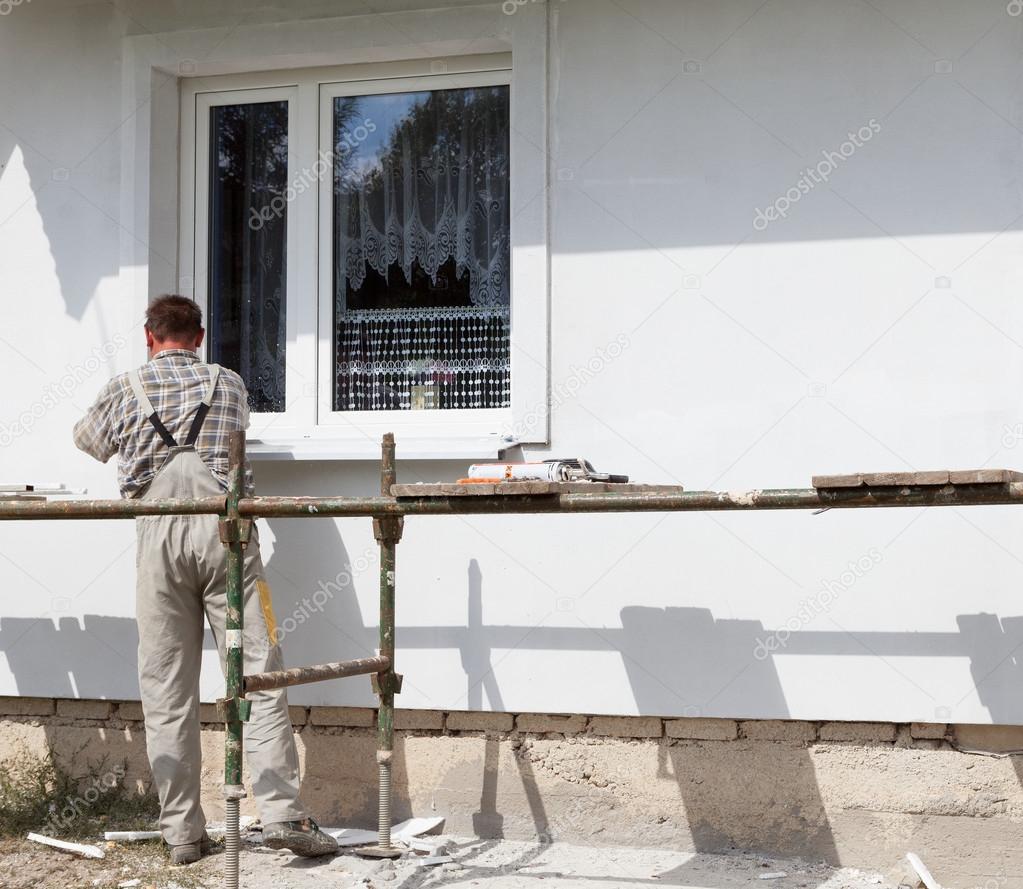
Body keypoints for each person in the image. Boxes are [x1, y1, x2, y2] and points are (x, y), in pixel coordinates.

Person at [73, 295, 337, 865]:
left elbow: (86, 441)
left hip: (158, 542)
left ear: (150, 337)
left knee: (166, 686)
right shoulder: (231, 383)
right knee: (258, 672)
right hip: (229, 536)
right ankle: (282, 815)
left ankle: (182, 837)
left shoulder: (125, 387)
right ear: (199, 337)